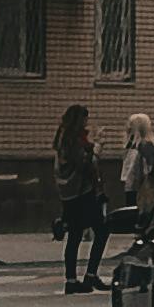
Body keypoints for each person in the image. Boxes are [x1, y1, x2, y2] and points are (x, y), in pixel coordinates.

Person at [53, 103, 108, 293]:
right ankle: (90, 275)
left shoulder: (62, 139)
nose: (87, 123)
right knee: (101, 230)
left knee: (75, 236)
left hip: (69, 194)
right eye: (85, 119)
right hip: (82, 193)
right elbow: (85, 162)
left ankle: (71, 279)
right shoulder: (73, 141)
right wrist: (98, 146)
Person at [107, 112, 154, 245]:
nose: (127, 127)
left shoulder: (144, 146)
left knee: (140, 219)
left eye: (130, 124)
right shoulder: (135, 147)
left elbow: (149, 169)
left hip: (139, 189)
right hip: (135, 187)